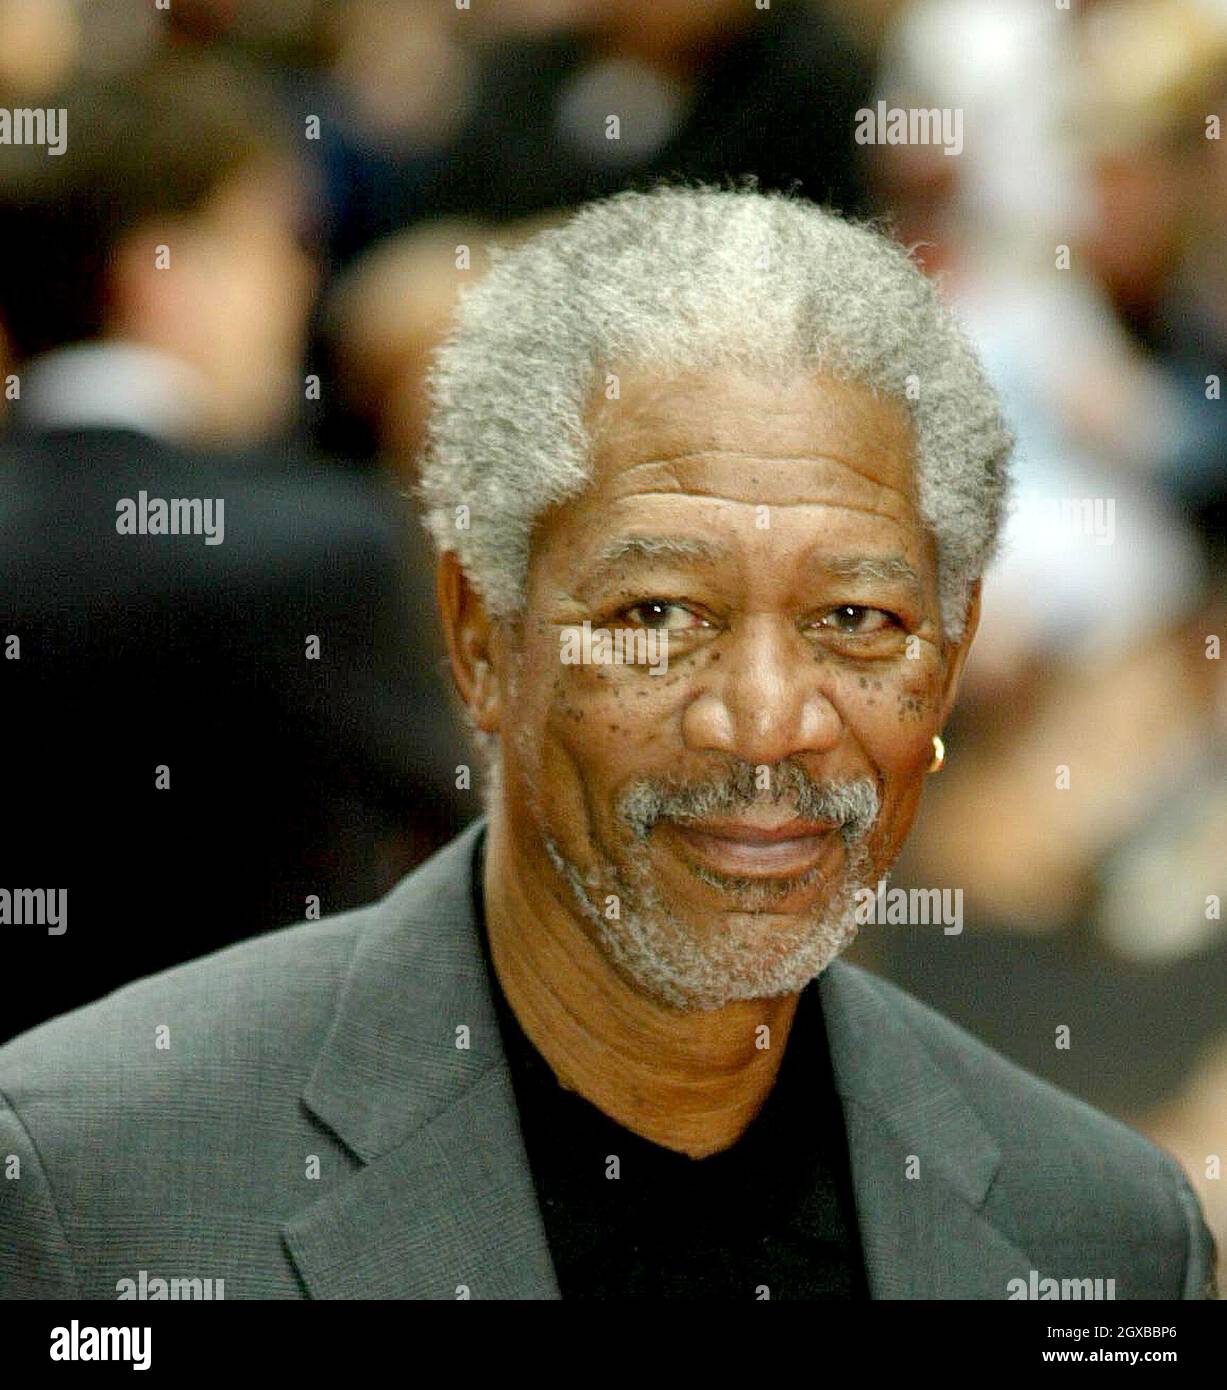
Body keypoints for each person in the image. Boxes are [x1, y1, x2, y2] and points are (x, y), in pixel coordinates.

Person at [0, 186, 1215, 1299]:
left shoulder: (1103, 1236)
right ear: (481, 641)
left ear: (948, 661)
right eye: (660, 615)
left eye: (856, 620)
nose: (765, 724)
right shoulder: (94, 1186)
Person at [0, 55, 471, 1042]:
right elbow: (484, 856)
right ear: (160, 274)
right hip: (245, 1163)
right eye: (276, 242)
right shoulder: (318, 551)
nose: (304, 284)